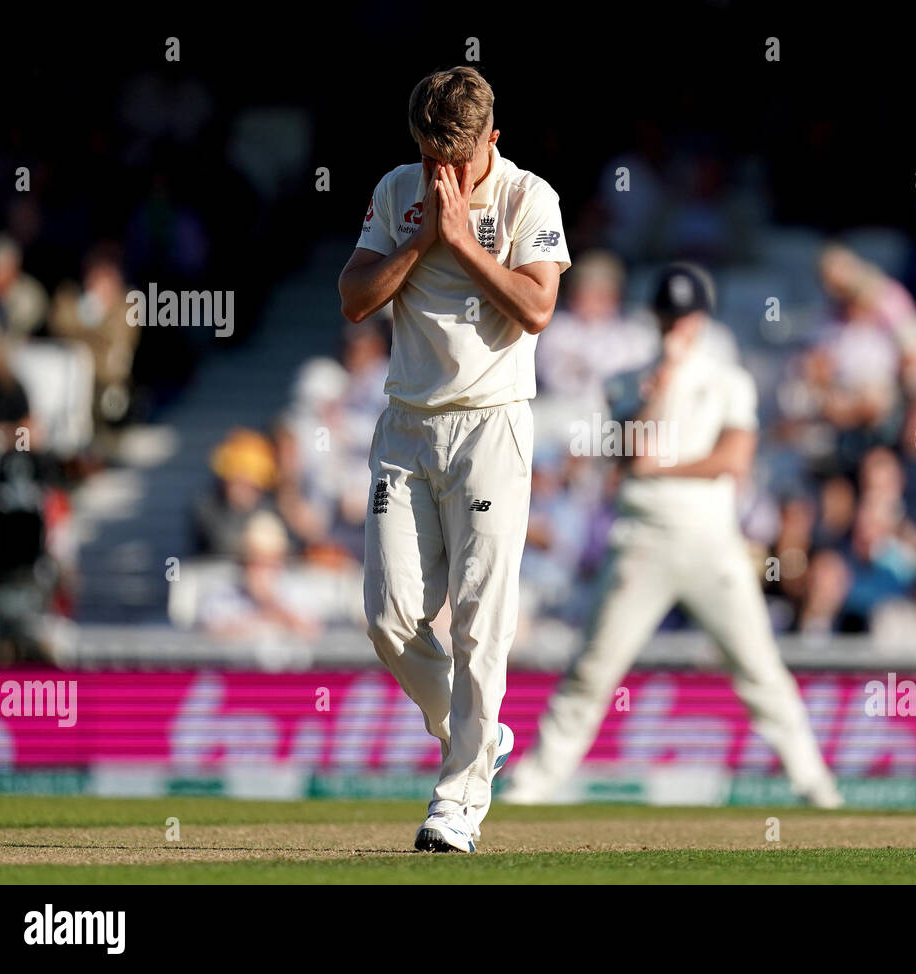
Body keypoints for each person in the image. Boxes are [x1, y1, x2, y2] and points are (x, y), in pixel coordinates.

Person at [337, 66, 571, 853]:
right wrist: (421, 237)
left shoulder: (527, 196)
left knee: (479, 624)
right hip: (405, 425)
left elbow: (537, 307)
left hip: (490, 426)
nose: (445, 176)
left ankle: (457, 805)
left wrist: (464, 243)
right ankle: (481, 737)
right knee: (387, 617)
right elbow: (355, 297)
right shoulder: (397, 188)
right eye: (431, 158)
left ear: (491, 142)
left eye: (459, 163)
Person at [506, 264, 842, 809]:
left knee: (759, 669)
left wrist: (663, 469)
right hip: (642, 538)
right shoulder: (625, 382)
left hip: (712, 539)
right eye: (666, 318)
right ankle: (535, 783)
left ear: (700, 318)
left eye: (682, 318)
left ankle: (814, 784)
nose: (674, 328)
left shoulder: (728, 380)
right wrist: (658, 388)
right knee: (593, 668)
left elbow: (733, 459)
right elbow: (630, 457)